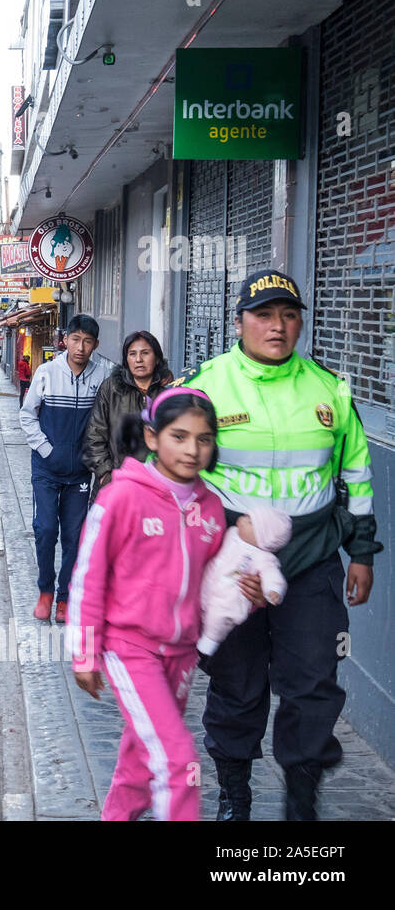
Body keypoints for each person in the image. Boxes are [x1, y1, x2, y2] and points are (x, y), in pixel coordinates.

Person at [176, 270, 383, 820]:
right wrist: (218, 541)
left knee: (313, 686)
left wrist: (361, 552)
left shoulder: (330, 390)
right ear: (239, 321)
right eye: (264, 315)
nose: (278, 326)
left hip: (313, 560)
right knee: (236, 686)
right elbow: (172, 477)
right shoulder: (206, 387)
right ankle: (235, 796)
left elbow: (357, 475)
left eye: (289, 315)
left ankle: (301, 800)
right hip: (233, 566)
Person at [66, 388, 228, 821]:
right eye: (180, 436)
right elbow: (88, 576)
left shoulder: (212, 508)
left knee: (142, 757)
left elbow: (216, 580)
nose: (193, 449)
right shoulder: (121, 497)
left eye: (204, 438)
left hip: (182, 654)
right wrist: (84, 652)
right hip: (129, 648)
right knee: (180, 762)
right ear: (153, 438)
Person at [19, 314, 108, 623]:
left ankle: (65, 596)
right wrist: (47, 449)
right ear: (65, 340)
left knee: (74, 536)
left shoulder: (102, 377)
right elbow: (27, 416)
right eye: (75, 339)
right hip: (45, 469)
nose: (80, 347)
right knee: (45, 530)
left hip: (80, 472)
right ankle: (45, 590)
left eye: (87, 341)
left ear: (95, 345)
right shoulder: (46, 372)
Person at [82, 330, 174, 498]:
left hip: (155, 488)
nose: (138, 359)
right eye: (132, 354)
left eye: (145, 353)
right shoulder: (111, 388)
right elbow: (95, 435)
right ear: (126, 360)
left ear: (157, 358)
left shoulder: (167, 395)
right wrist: (106, 475)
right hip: (114, 486)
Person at [198, 507, 291, 657]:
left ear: (262, 538)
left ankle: (210, 641)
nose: (241, 520)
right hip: (208, 583)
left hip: (229, 596)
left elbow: (272, 574)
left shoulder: (263, 557)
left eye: (249, 521)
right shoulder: (231, 533)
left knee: (218, 617)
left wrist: (273, 590)